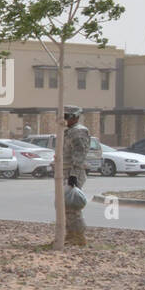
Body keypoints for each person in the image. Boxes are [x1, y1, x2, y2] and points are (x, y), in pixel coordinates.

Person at [62, 105, 91, 247]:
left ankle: (79, 236)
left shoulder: (79, 132)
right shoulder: (69, 131)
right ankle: (70, 234)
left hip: (73, 173)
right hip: (65, 172)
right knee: (65, 207)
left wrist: (73, 175)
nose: (65, 119)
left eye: (67, 116)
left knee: (72, 207)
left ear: (76, 117)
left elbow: (79, 155)